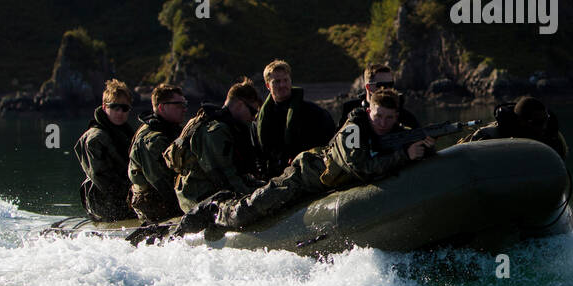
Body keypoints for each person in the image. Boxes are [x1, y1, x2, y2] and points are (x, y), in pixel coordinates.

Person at [186, 87, 435, 231]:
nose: (382, 123)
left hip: (328, 187)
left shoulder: (396, 133)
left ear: (396, 117)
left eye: (389, 118)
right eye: (378, 116)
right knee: (250, 211)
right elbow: (360, 167)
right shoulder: (353, 129)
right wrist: (404, 155)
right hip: (305, 175)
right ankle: (215, 208)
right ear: (369, 111)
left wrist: (425, 148)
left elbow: (409, 148)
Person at [167, 77, 265, 213]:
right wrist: (255, 196)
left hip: (207, 191)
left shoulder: (225, 126)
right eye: (253, 112)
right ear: (239, 105)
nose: (253, 118)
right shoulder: (215, 132)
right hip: (199, 199)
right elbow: (224, 177)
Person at [252, 59, 338, 178]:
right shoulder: (259, 122)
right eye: (277, 82)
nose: (282, 85)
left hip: (308, 173)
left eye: (285, 80)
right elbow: (258, 155)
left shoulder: (314, 113)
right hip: (273, 177)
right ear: (268, 85)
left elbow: (330, 143)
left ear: (290, 81)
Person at [73, 79, 136, 221]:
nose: (120, 112)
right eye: (114, 107)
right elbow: (102, 179)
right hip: (103, 200)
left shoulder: (127, 133)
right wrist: (133, 193)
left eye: (124, 108)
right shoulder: (96, 139)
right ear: (104, 107)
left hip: (126, 194)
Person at [127, 84, 187, 223]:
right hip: (154, 206)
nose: (184, 109)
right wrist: (187, 209)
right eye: (178, 105)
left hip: (167, 199)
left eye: (185, 104)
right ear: (161, 108)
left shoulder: (172, 131)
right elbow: (161, 184)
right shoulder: (151, 141)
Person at [461, 95, 568, 159]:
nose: (544, 127)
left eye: (546, 120)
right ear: (522, 122)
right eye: (538, 122)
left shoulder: (552, 135)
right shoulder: (489, 136)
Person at [340, 63, 419, 129]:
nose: (387, 89)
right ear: (368, 87)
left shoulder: (404, 115)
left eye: (390, 85)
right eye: (381, 85)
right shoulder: (350, 110)